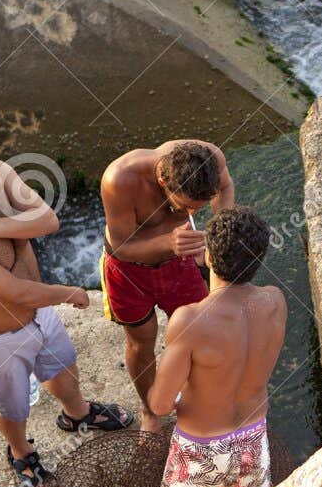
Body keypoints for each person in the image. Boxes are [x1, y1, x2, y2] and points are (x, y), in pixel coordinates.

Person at [0, 140, 133, 487]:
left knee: (64, 366)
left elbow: (48, 221)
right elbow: (14, 292)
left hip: (38, 314)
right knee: (13, 402)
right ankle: (21, 453)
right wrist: (67, 293)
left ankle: (77, 414)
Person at [148, 206, 286, 487]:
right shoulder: (275, 301)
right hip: (253, 438)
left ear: (207, 255)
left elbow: (161, 404)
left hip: (201, 450)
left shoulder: (189, 321)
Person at [99, 139, 234, 432]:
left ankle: (197, 399)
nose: (192, 214)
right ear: (162, 181)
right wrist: (168, 242)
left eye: (197, 209)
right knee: (141, 340)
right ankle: (151, 410)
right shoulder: (120, 178)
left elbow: (225, 188)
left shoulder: (211, 158)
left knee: (198, 332)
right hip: (129, 271)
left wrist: (215, 232)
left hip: (180, 264)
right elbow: (122, 246)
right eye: (184, 206)